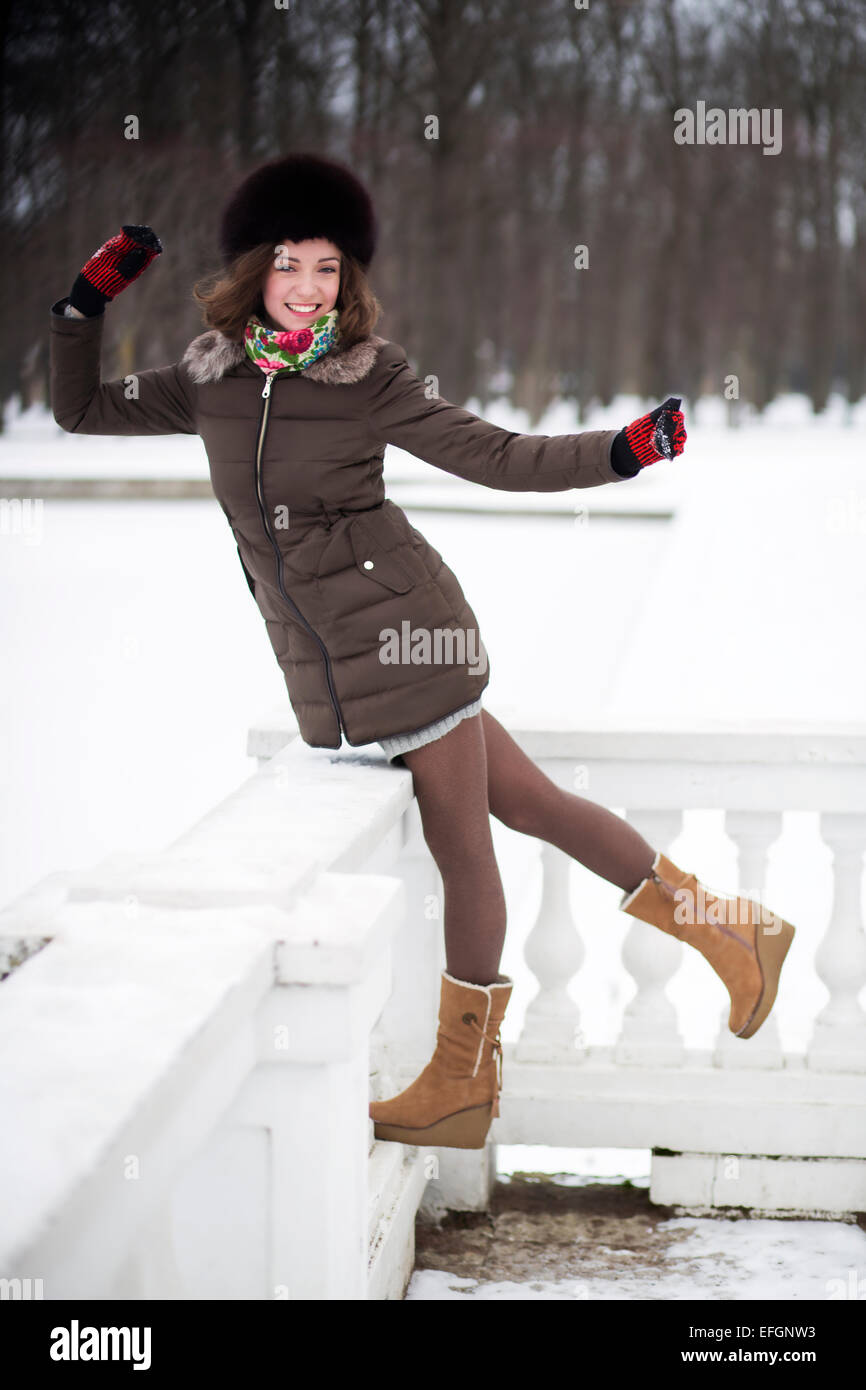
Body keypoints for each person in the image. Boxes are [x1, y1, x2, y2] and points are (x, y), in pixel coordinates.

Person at [48, 152, 795, 1152]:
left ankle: (460, 1080)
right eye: (288, 264)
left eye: (326, 268)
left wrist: (621, 450)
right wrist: (85, 304)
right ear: (251, 275)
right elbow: (79, 410)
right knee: (535, 804)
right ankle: (732, 927)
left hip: (410, 648)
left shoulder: (371, 377)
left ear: (347, 278)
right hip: (343, 671)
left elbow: (495, 455)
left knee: (464, 849)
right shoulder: (210, 379)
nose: (308, 287)